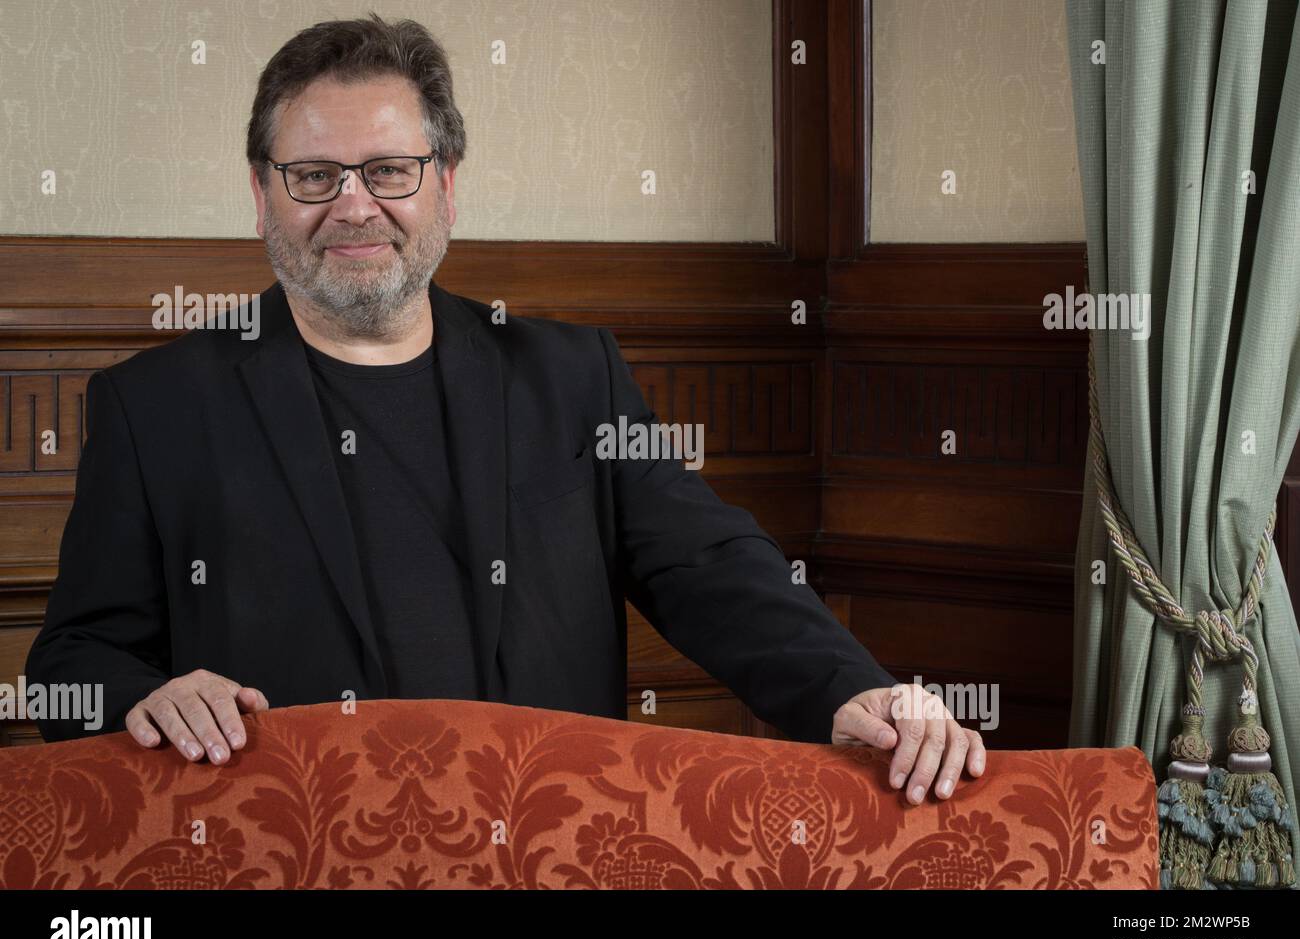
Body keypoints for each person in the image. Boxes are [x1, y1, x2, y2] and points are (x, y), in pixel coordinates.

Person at [26, 13, 984, 806]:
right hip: (284, 856)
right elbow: (70, 661)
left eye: (388, 170)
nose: (353, 206)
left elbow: (713, 568)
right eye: (314, 176)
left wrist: (855, 689)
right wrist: (146, 697)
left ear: (445, 183)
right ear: (261, 194)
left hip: (546, 850)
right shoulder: (155, 405)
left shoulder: (572, 378)